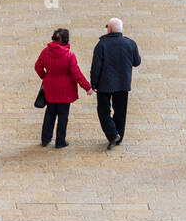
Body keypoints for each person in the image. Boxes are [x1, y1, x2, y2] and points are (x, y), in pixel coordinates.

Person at [34, 27, 92, 148]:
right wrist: (87, 87)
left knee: (49, 113)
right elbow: (77, 74)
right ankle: (60, 141)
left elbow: (38, 67)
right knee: (63, 116)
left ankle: (45, 139)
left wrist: (45, 77)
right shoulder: (69, 55)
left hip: (50, 88)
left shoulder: (45, 52)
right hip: (66, 90)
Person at [90, 17, 141, 148]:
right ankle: (118, 137)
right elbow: (137, 62)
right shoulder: (130, 43)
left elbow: (96, 67)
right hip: (123, 84)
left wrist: (93, 83)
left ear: (110, 29)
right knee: (120, 111)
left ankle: (113, 134)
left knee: (103, 111)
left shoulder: (101, 45)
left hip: (104, 85)